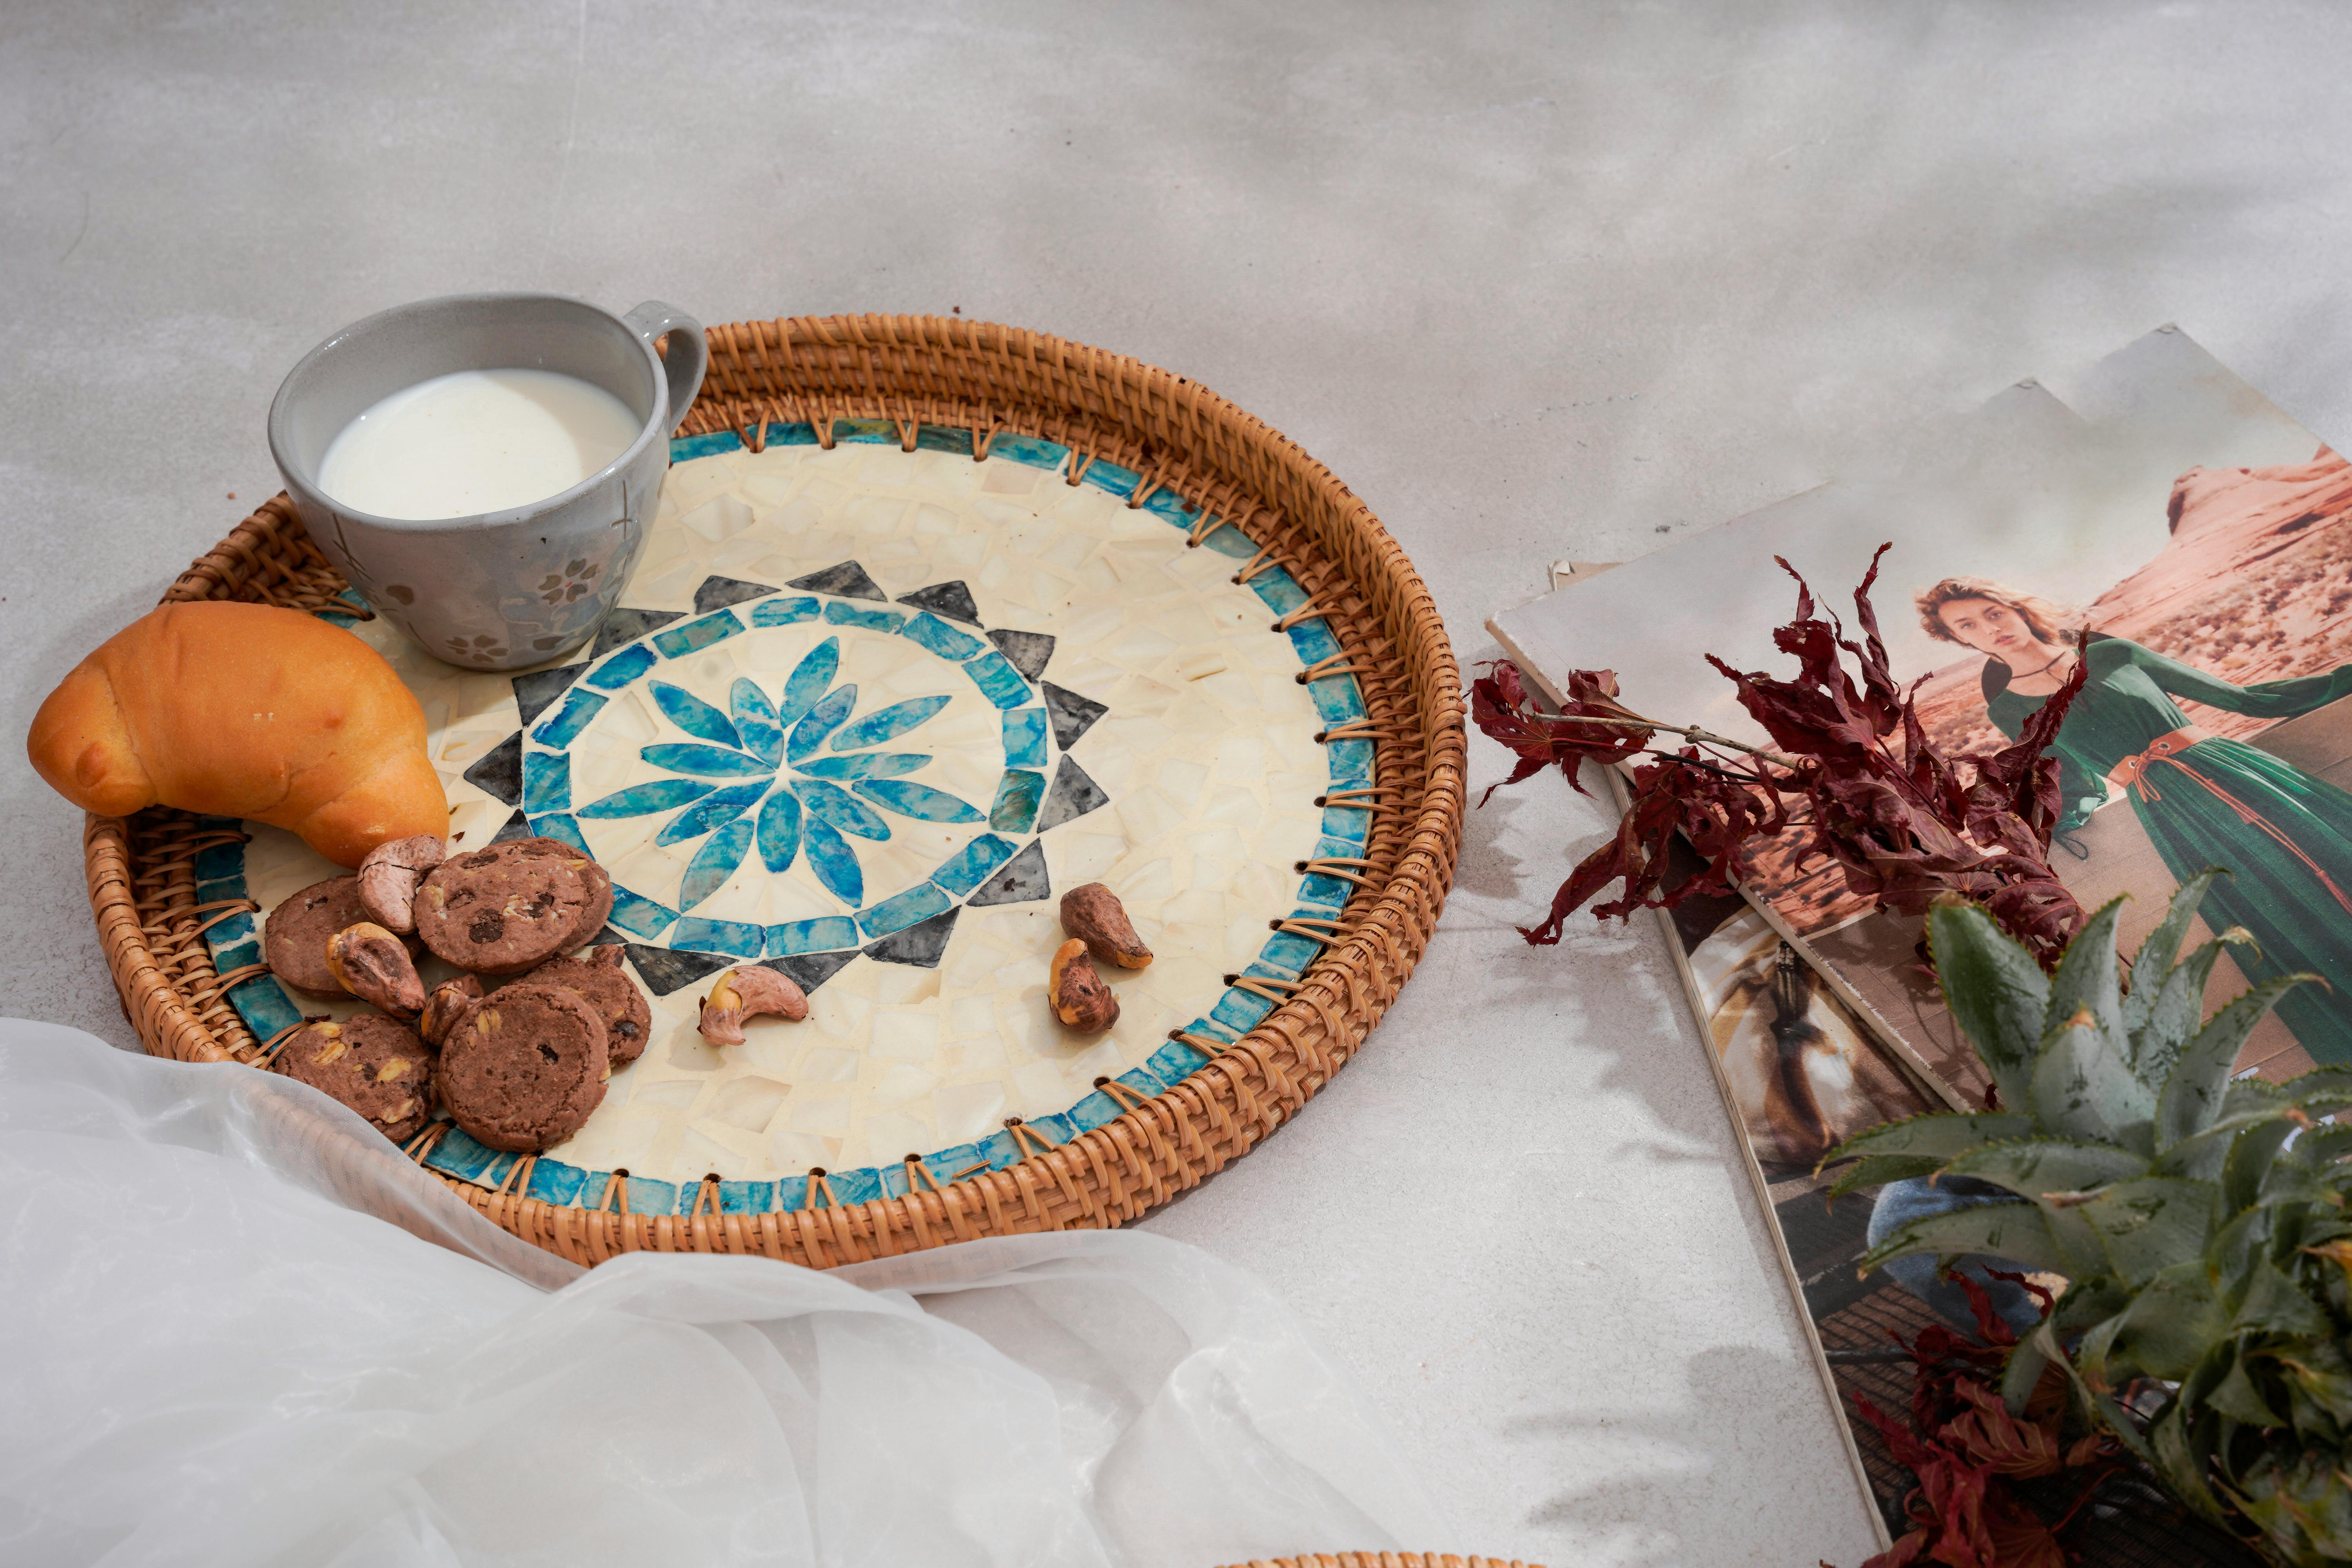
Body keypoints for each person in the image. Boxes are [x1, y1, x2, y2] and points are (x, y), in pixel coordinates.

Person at [1915, 576, 2352, 1063]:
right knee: (2277, 903)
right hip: (2173, 815)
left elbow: (2245, 699)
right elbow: (2077, 780)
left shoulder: (2115, 654)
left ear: (2017, 610)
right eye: (1969, 625)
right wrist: (2049, 829)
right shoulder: (2009, 709)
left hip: (2238, 772)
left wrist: (2344, 678)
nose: (1990, 628)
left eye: (1993, 612)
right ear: (1963, 642)